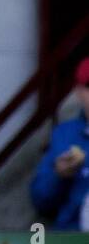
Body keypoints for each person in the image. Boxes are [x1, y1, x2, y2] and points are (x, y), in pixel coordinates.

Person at [30, 57, 89, 231]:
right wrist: (58, 175)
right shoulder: (65, 134)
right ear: (78, 92)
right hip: (72, 242)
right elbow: (41, 202)